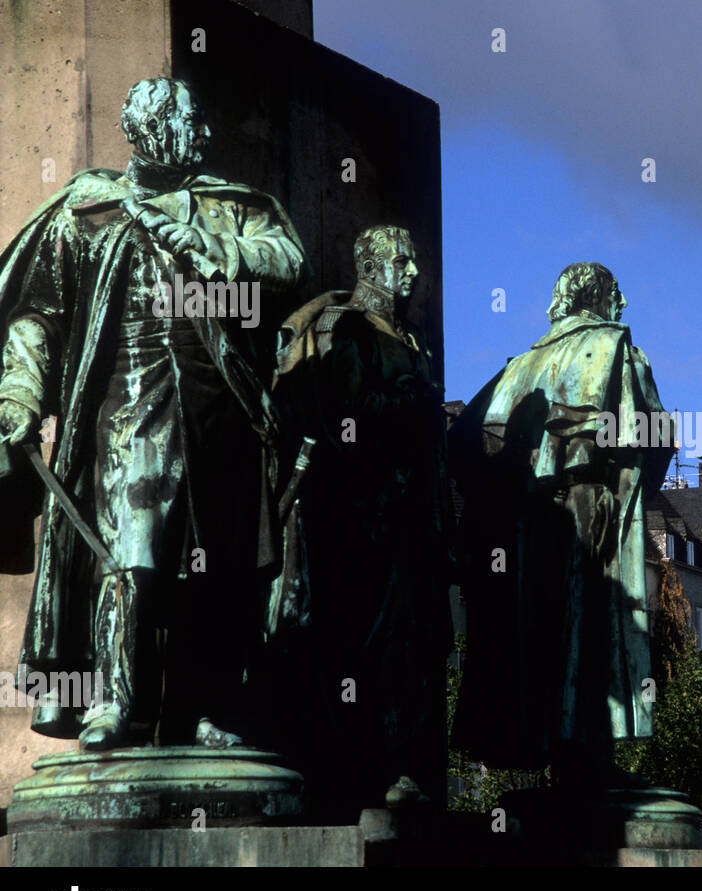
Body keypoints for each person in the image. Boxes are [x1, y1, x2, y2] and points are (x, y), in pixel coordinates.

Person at [0, 76, 305, 750]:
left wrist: (211, 249)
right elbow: (35, 318)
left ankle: (206, 707)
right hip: (125, 405)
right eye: (189, 123)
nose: (202, 135)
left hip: (218, 404)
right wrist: (20, 394)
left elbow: (288, 262)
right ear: (151, 130)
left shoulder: (230, 207)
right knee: (129, 553)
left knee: (215, 563)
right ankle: (112, 699)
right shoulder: (88, 210)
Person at [448, 262, 673, 785]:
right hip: (589, 503)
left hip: (524, 523)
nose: (620, 309)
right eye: (616, 298)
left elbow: (461, 441)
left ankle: (557, 754)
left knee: (539, 632)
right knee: (589, 622)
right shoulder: (615, 347)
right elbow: (656, 433)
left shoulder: (516, 367)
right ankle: (586, 758)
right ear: (599, 298)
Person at [270, 225, 449, 816]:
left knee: (412, 648)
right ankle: (362, 771)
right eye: (404, 260)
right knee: (363, 645)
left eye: (416, 261)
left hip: (407, 516)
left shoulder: (410, 339)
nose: (415, 273)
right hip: (362, 514)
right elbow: (347, 416)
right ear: (372, 266)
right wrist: (414, 405)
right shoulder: (350, 329)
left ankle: (399, 767)